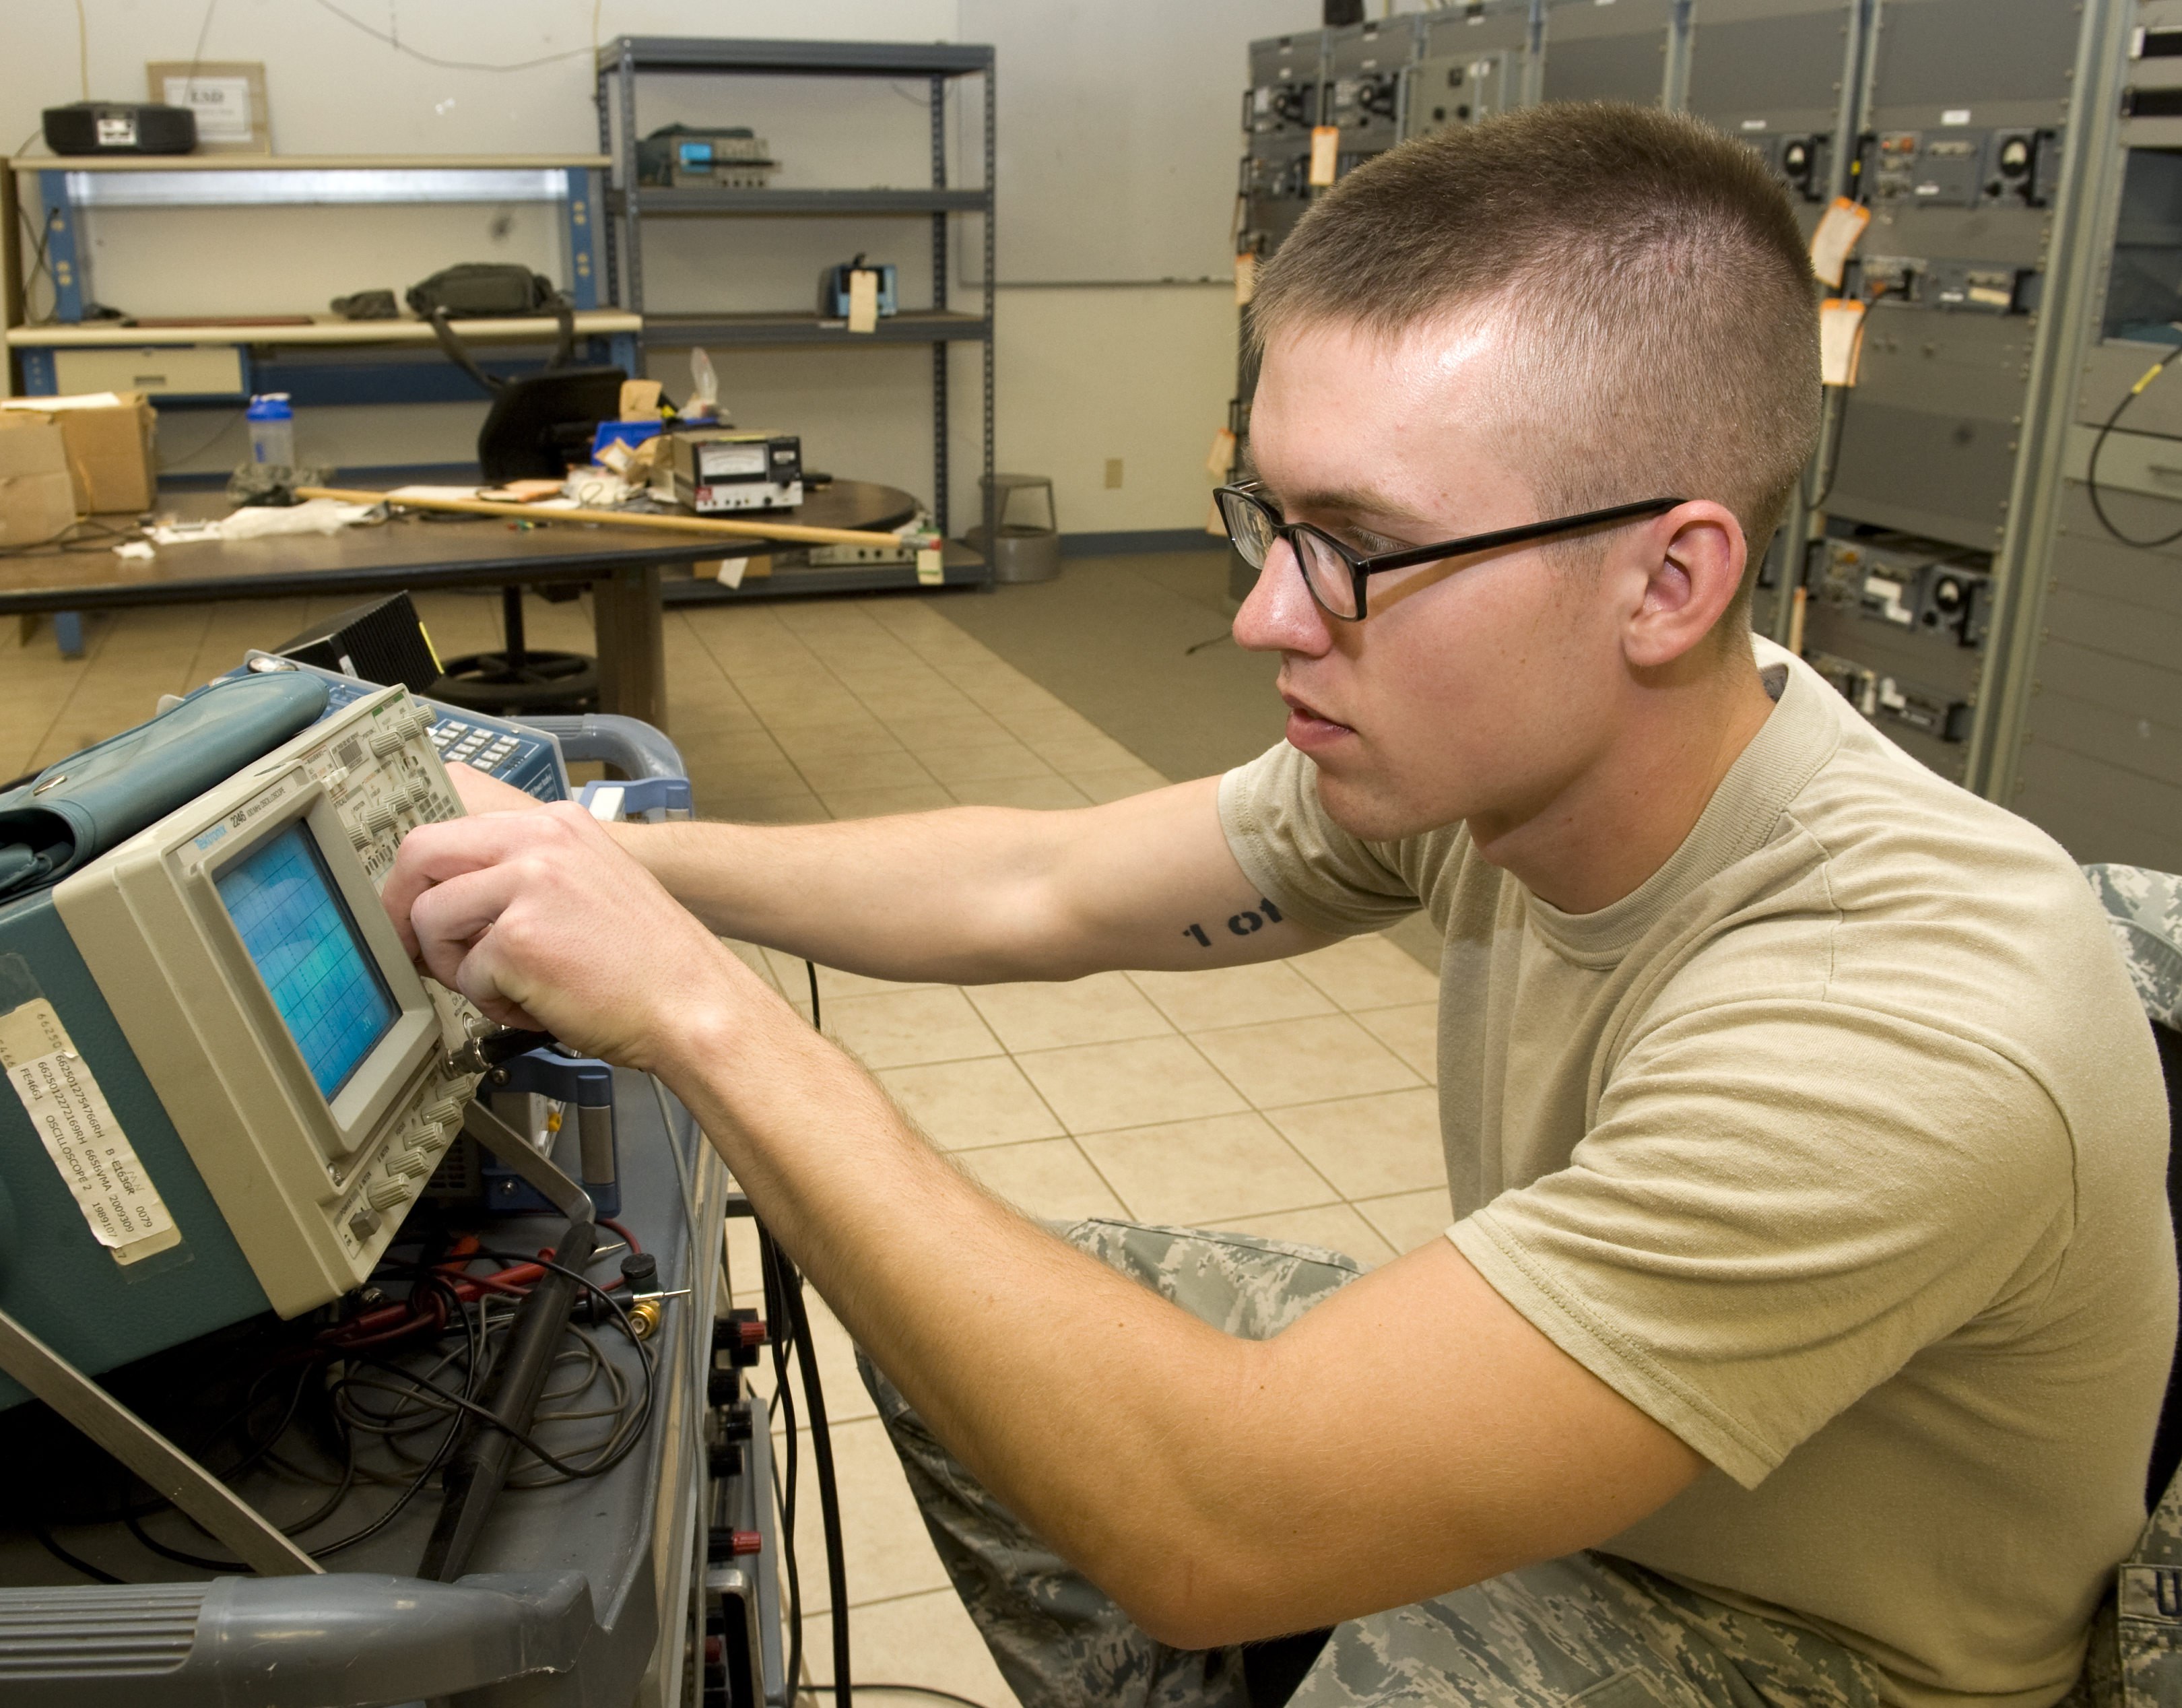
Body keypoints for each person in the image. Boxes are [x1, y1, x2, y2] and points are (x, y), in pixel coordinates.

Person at [383, 104, 2173, 1708]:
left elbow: (1204, 1528)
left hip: (1824, 1650)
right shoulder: (1514, 752)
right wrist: (626, 858)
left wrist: (701, 1015)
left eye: (1362, 548)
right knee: (969, 1335)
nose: (1265, 619)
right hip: (1669, 1485)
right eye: (1267, 517)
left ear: (1669, 580)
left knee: (1195, 1499)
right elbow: (1044, 880)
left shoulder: (1901, 1027)